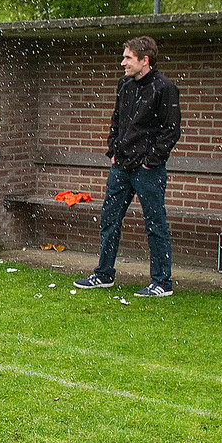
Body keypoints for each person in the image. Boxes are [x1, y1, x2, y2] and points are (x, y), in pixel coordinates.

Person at [75, 35, 182, 297]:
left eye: (128, 58)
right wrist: (113, 149)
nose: (123, 62)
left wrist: (150, 161)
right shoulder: (124, 85)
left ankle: (162, 282)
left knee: (155, 224)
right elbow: (117, 119)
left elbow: (171, 131)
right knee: (109, 219)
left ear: (145, 60)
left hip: (147, 170)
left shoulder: (164, 88)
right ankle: (104, 274)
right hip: (120, 166)